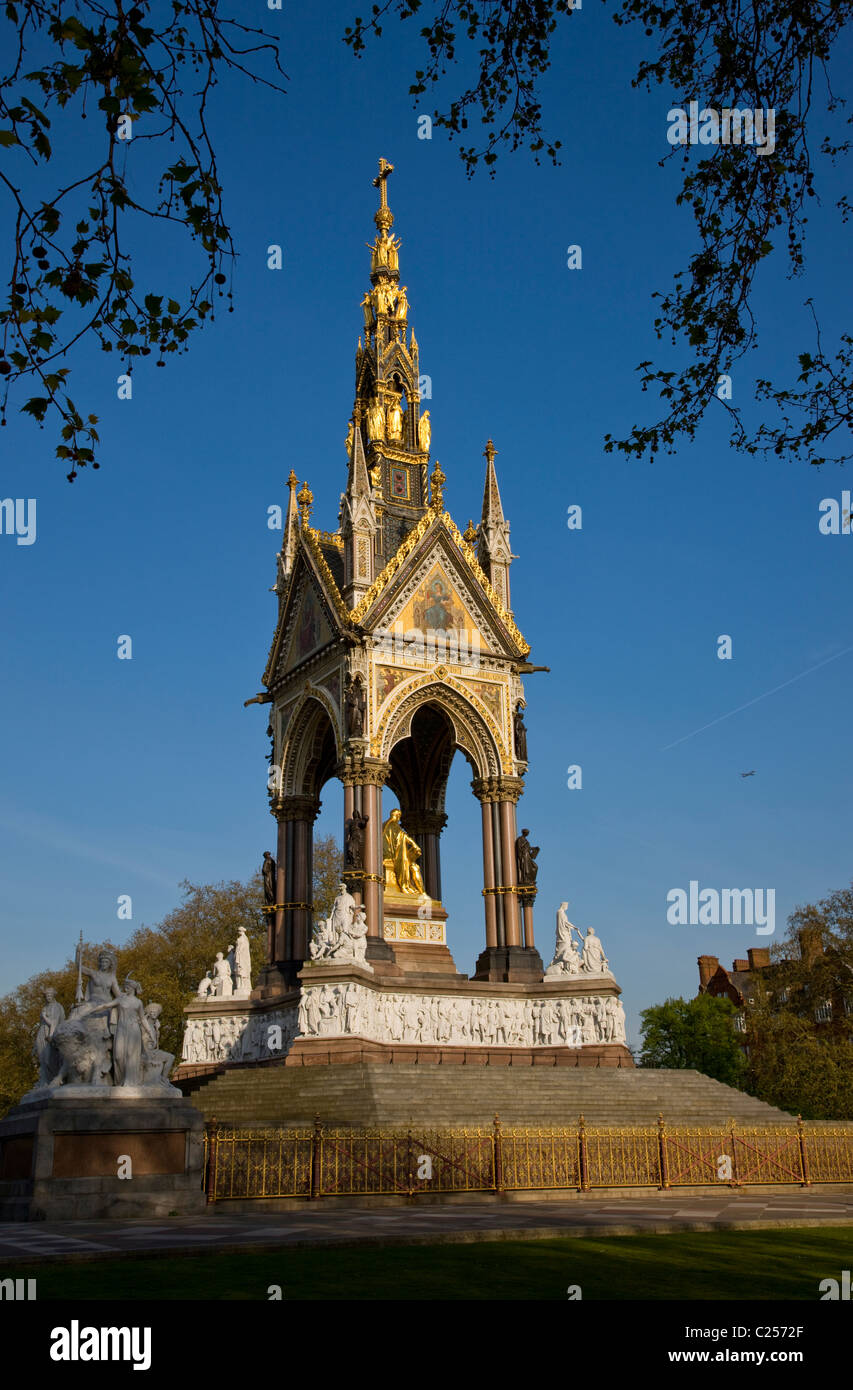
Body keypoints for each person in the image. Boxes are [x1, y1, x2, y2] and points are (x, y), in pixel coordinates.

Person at [382, 809, 425, 895]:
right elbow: (402, 836)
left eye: (399, 817)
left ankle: (409, 887)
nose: (398, 819)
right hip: (391, 855)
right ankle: (404, 885)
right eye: (398, 816)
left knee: (411, 866)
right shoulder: (391, 825)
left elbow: (403, 836)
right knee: (406, 863)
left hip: (392, 853)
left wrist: (413, 845)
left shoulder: (390, 826)